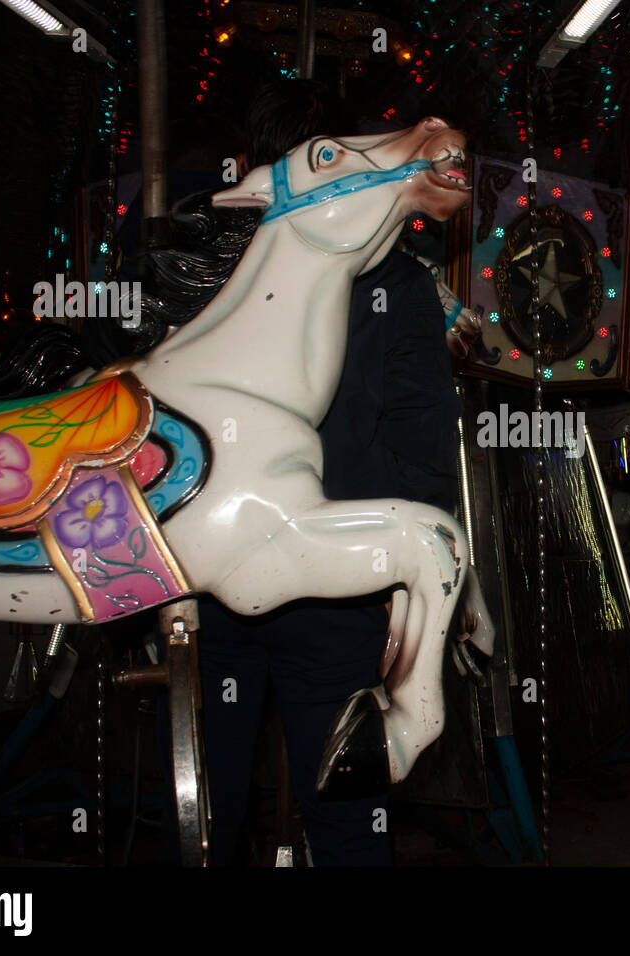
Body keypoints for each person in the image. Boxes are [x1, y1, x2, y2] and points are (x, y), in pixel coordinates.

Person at [163, 84, 463, 865]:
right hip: (301, 584)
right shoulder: (387, 285)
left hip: (268, 579)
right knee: (274, 807)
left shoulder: (392, 284)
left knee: (223, 804)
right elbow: (424, 444)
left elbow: (425, 441)